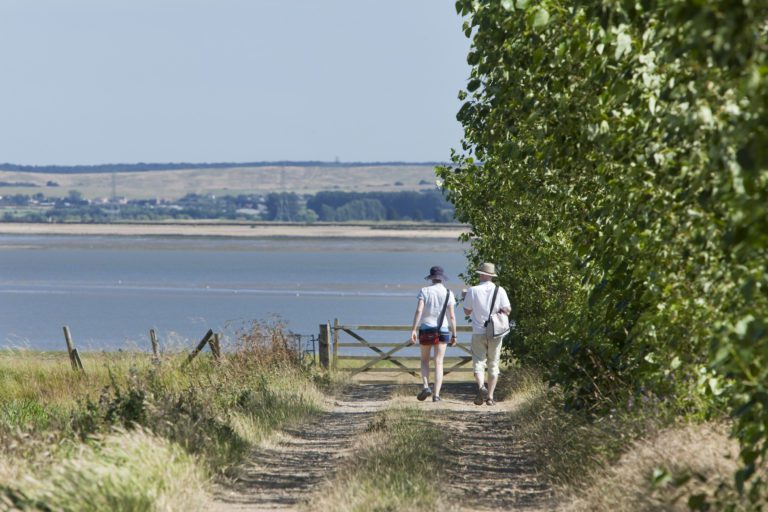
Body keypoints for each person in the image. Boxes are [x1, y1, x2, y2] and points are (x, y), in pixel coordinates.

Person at [462, 262, 511, 406]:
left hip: (478, 331)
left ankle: (481, 387)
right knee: (493, 364)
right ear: (491, 276)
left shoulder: (473, 290)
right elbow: (507, 310)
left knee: (478, 362)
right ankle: (490, 397)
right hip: (495, 331)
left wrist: (465, 296)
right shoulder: (500, 290)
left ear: (482, 274)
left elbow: (467, 311)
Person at [409, 265, 457, 402]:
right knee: (439, 362)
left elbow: (419, 311)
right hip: (443, 330)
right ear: (442, 278)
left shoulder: (424, 291)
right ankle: (436, 395)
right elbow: (452, 316)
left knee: (424, 360)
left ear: (431, 278)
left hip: (426, 329)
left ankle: (425, 386)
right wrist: (454, 334)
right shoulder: (449, 293)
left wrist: (413, 329)